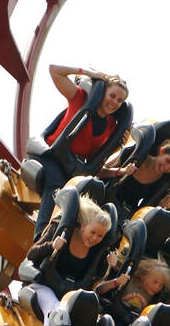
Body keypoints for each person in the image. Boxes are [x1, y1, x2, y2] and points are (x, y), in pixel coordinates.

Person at [34, 65, 129, 236]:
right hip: (51, 156)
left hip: (73, 169)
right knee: (56, 188)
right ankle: (40, 236)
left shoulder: (109, 126)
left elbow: (94, 166)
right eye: (112, 95)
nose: (114, 102)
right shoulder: (80, 99)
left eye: (119, 100)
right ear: (102, 93)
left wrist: (118, 170)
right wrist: (90, 73)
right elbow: (54, 70)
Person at [23, 196, 113, 326]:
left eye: (100, 236)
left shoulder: (96, 250)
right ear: (83, 225)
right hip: (42, 286)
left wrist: (109, 264)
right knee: (56, 309)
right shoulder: (62, 230)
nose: (95, 238)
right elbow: (31, 254)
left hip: (69, 295)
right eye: (93, 232)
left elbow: (95, 276)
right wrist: (51, 246)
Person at [105, 140, 170, 218]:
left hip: (123, 214)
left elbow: (146, 211)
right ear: (162, 151)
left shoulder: (162, 184)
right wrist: (121, 172)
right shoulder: (136, 154)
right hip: (105, 195)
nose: (167, 167)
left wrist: (161, 205)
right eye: (167, 161)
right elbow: (99, 170)